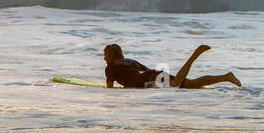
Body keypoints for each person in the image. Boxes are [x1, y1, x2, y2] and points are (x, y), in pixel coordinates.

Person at [103, 43, 241, 89]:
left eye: (105, 55)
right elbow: (145, 70)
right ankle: (226, 77)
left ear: (109, 56)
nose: (103, 58)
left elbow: (109, 89)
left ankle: (194, 55)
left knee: (176, 84)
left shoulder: (110, 68)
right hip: (152, 75)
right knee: (191, 84)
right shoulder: (130, 61)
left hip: (149, 79)